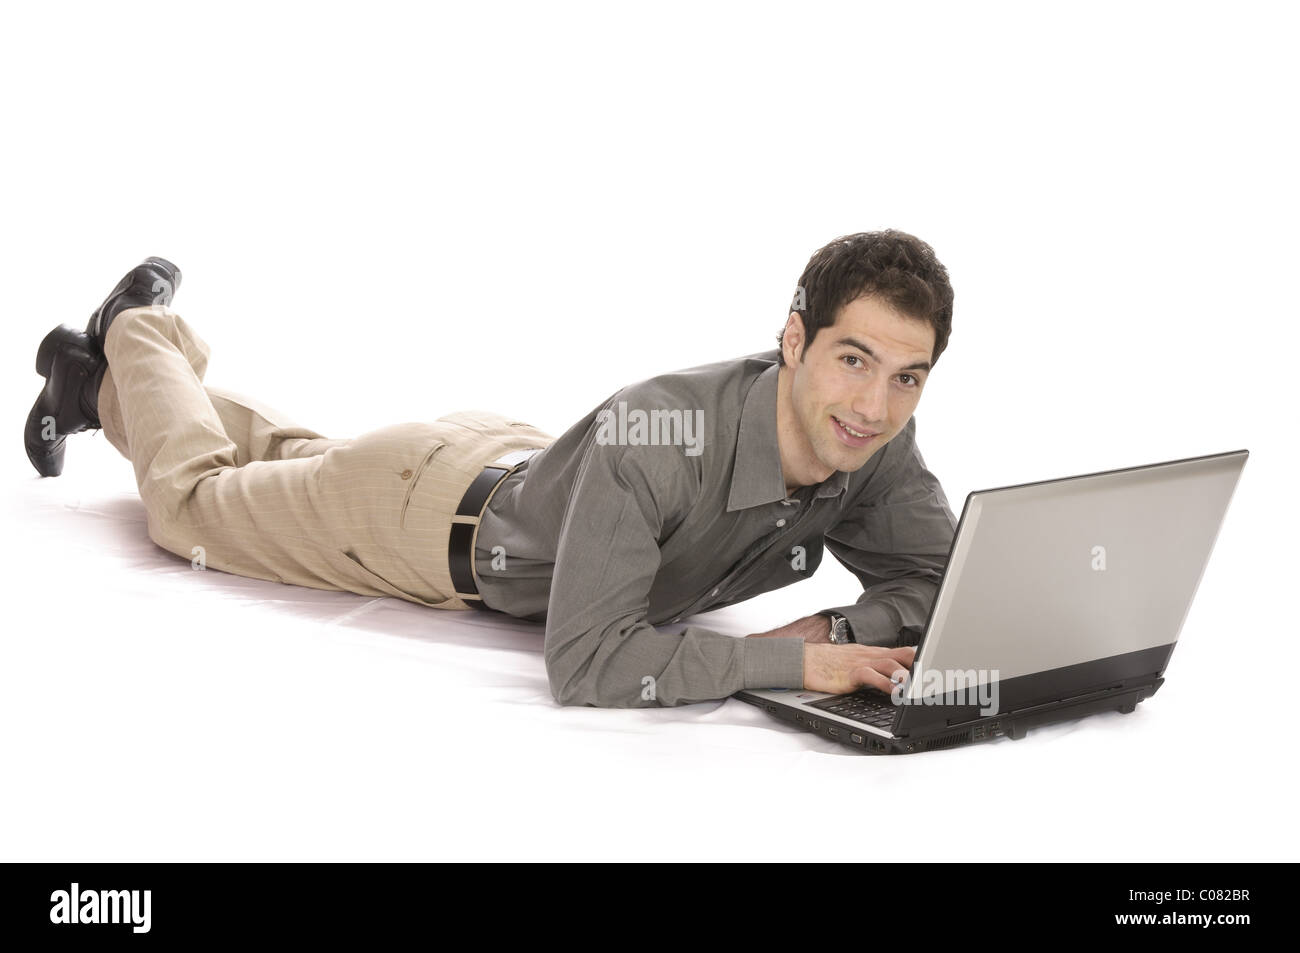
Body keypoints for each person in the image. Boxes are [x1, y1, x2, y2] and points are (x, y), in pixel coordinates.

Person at [24, 230, 958, 708]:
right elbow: (588, 660)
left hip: (507, 464)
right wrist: (795, 664)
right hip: (422, 524)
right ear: (793, 339)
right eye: (852, 359)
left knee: (284, 462)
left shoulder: (869, 442)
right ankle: (135, 332)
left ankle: (95, 384)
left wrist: (836, 624)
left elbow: (944, 581)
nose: (874, 406)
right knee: (199, 503)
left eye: (906, 376)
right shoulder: (663, 433)